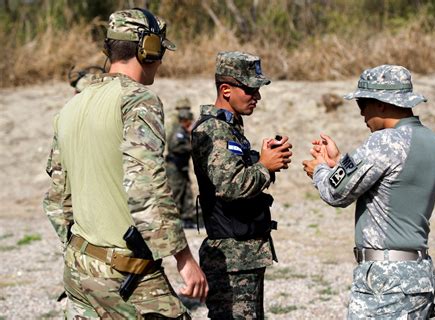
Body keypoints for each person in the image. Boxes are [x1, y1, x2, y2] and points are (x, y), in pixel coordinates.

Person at [43, 8, 207, 319]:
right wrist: (184, 260)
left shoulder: (72, 105)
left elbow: (56, 198)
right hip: (124, 272)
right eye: (160, 51)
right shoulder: (137, 100)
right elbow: (146, 186)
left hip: (77, 265)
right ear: (149, 49)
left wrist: (81, 249)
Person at [302, 64, 435, 319]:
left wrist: (320, 170)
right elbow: (383, 179)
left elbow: (336, 193)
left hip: (386, 280)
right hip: (418, 275)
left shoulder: (385, 141)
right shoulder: (433, 142)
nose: (361, 114)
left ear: (381, 103)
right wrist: (339, 162)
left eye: (362, 104)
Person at [191, 51, 292, 319]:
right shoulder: (214, 130)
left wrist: (263, 160)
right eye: (250, 90)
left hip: (243, 256)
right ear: (226, 90)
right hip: (231, 257)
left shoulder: (230, 129)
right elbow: (231, 185)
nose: (257, 97)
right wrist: (265, 167)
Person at [165, 98, 197, 228]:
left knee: (186, 191)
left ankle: (187, 218)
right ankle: (174, 220)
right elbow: (174, 147)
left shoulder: (183, 130)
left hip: (182, 165)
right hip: (174, 166)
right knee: (176, 192)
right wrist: (190, 147)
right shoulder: (177, 130)